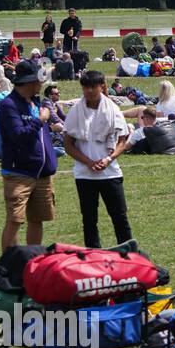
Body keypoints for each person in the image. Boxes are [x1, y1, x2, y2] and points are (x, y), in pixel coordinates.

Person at [61, 71, 133, 249]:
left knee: (120, 217)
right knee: (89, 220)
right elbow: (68, 145)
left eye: (93, 86)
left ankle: (129, 256)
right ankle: (93, 257)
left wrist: (108, 159)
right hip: (84, 175)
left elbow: (122, 141)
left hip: (110, 173)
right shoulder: (76, 111)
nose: (90, 91)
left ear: (102, 86)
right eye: (86, 87)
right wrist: (88, 162)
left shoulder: (113, 109)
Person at [0, 60, 58, 251]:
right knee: (15, 220)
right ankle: (8, 266)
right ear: (30, 82)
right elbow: (18, 136)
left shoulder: (36, 101)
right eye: (38, 82)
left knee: (37, 219)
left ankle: (33, 261)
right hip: (19, 173)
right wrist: (39, 120)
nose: (41, 85)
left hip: (41, 173)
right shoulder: (9, 105)